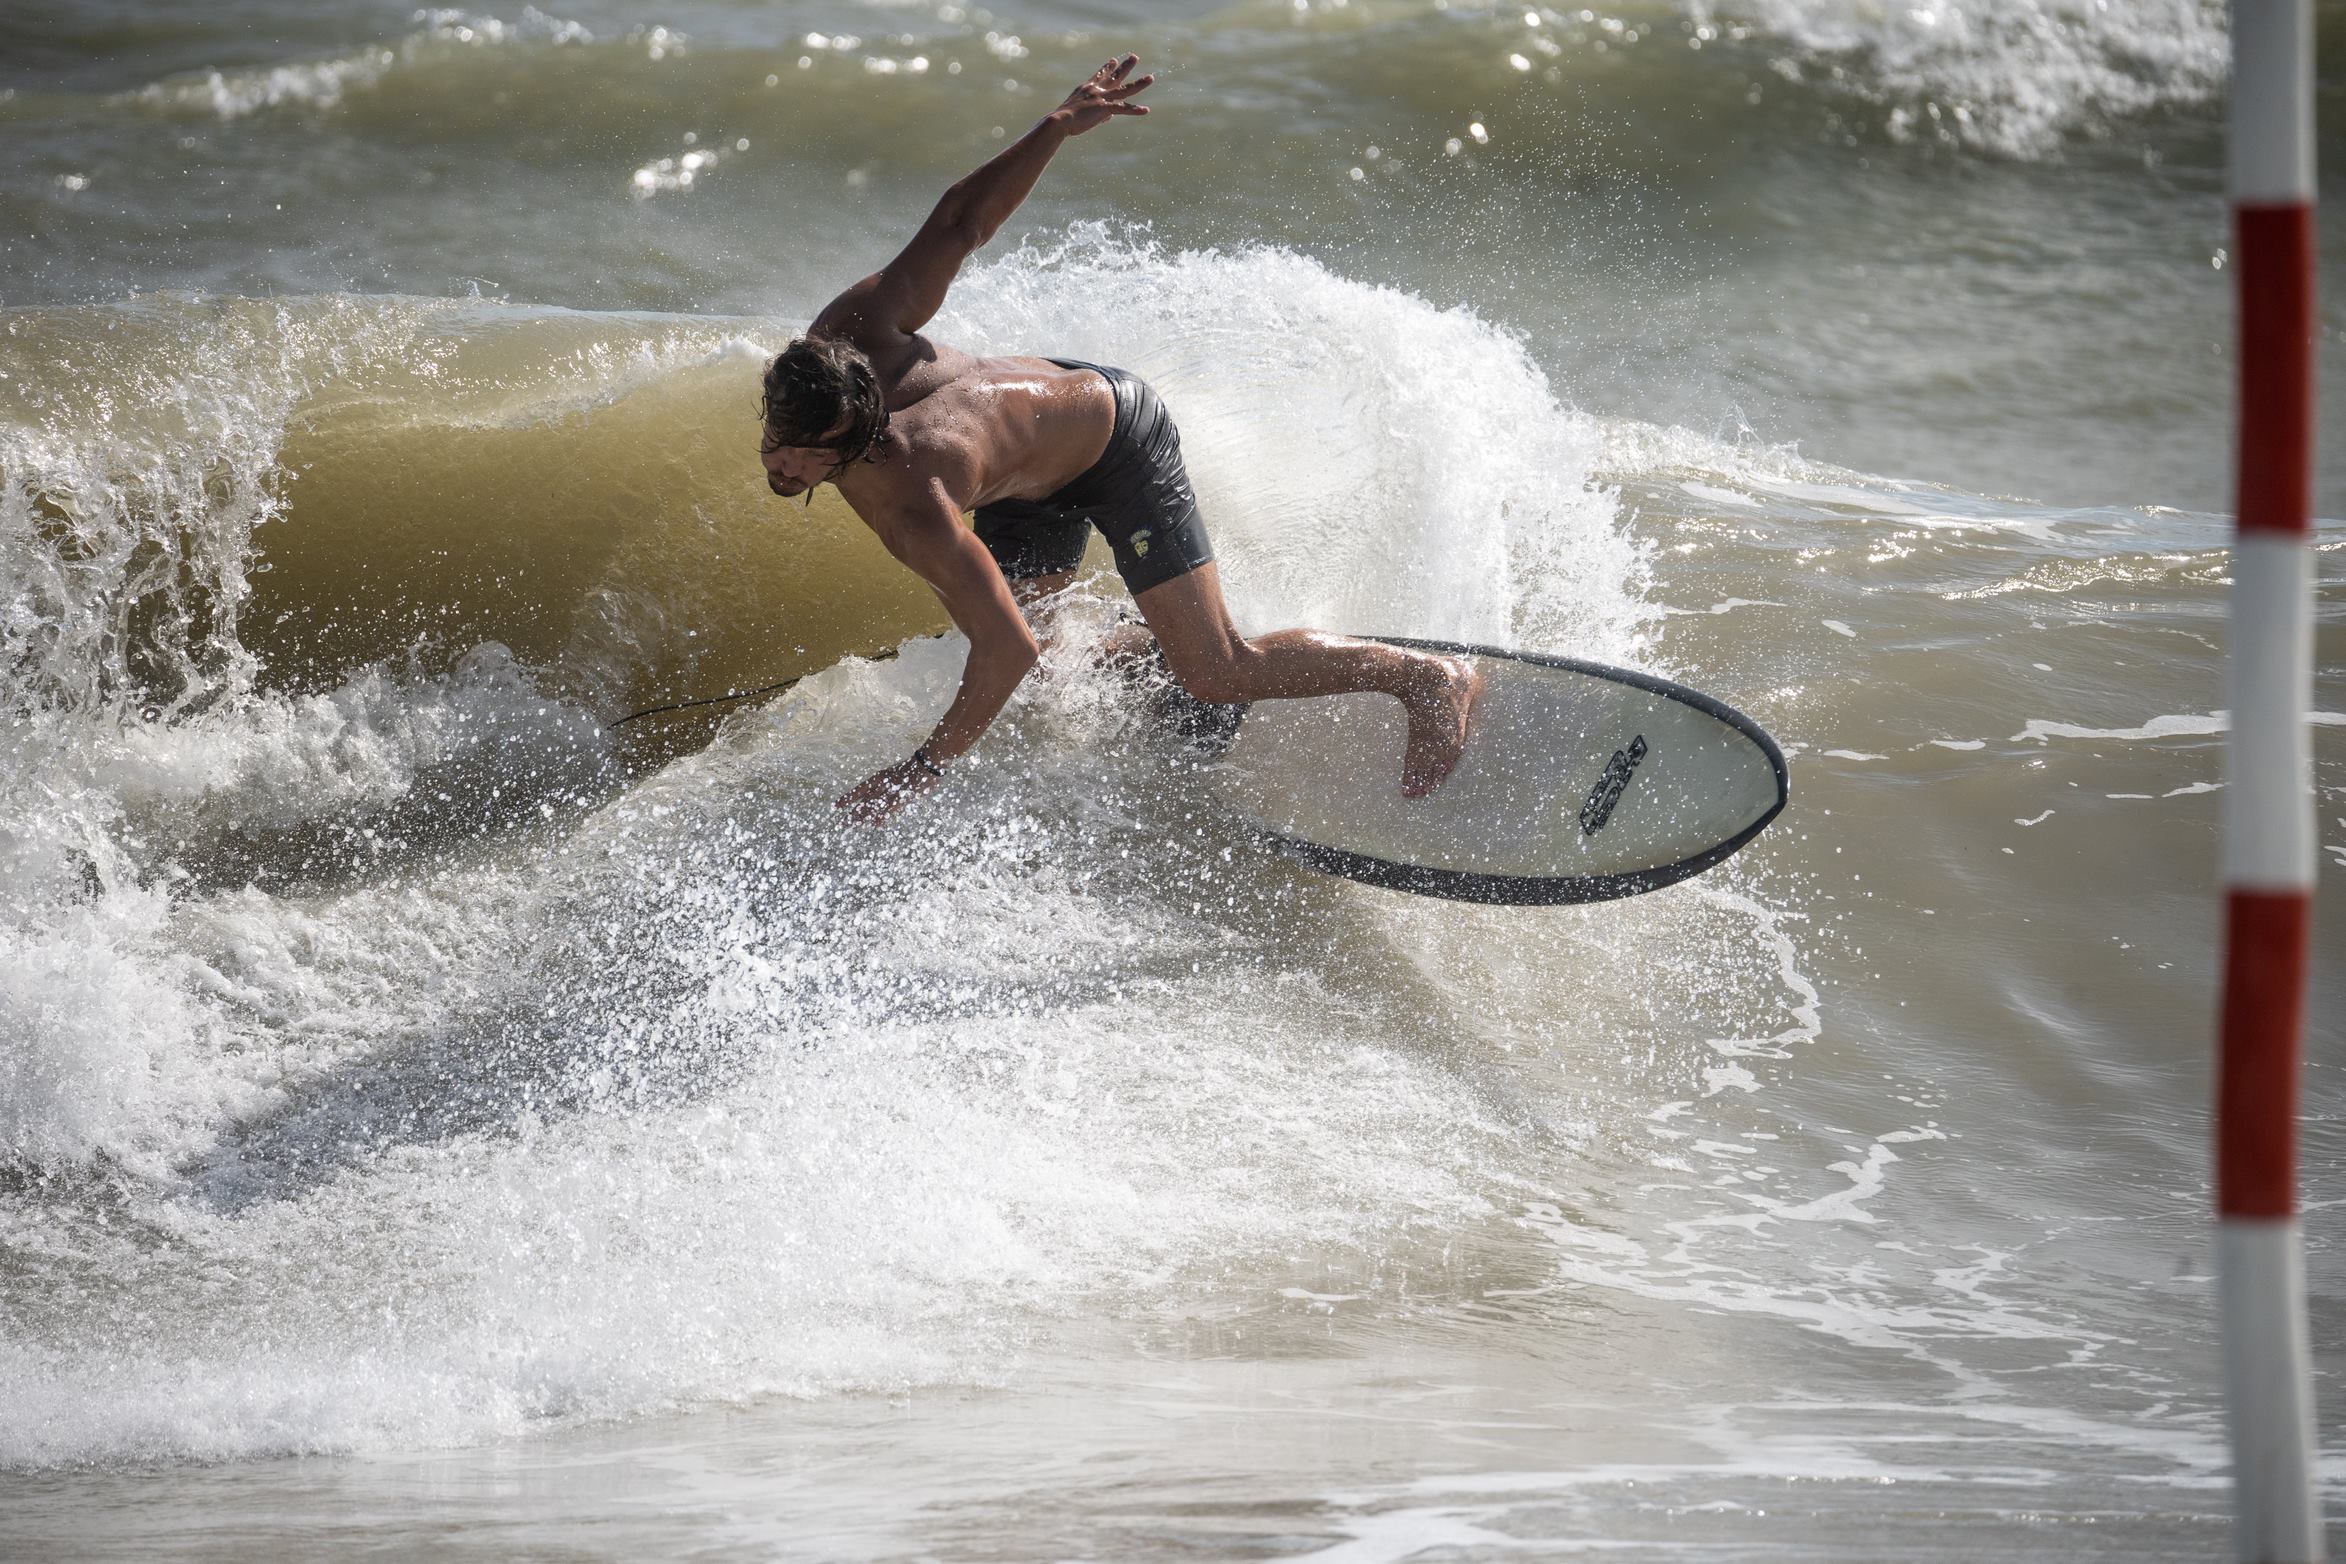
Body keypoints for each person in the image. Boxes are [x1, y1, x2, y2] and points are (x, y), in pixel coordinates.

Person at [760, 53, 1483, 824]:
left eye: (812, 457)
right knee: (1058, 668)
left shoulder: (916, 507)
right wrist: (1056, 127)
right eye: (780, 439)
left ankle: (1426, 676)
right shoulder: (840, 340)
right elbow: (957, 223)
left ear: (863, 436)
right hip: (1019, 470)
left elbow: (1003, 650)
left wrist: (920, 770)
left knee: (1212, 670)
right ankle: (1156, 643)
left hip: (1112, 439)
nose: (784, 464)